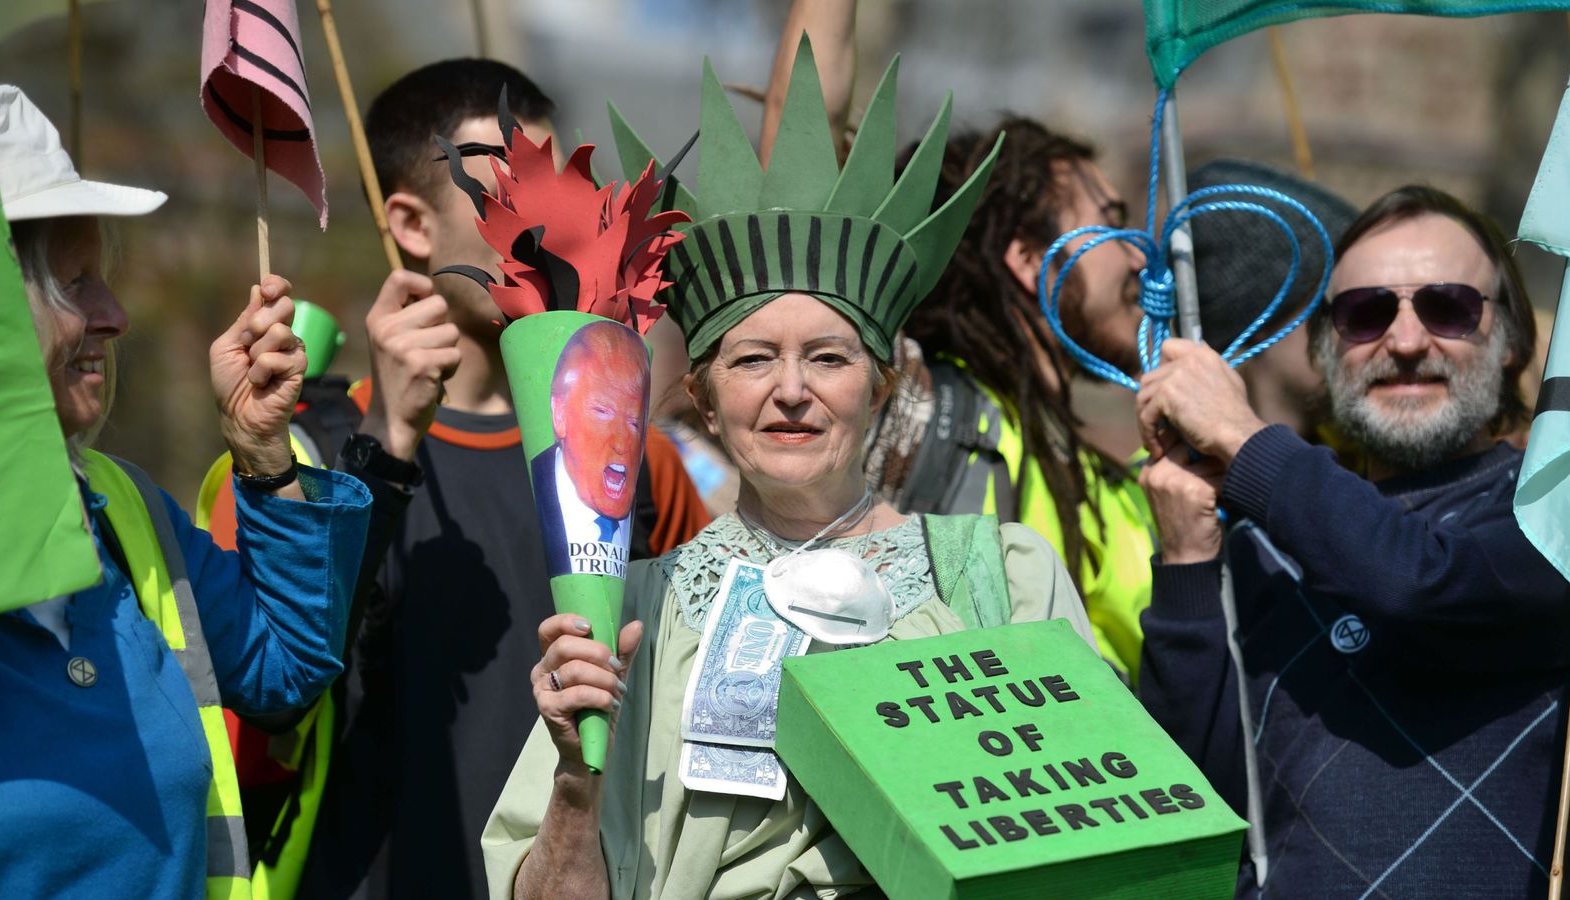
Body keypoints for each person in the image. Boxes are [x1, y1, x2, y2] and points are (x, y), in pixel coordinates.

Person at [483, 41, 1097, 899]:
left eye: (829, 358)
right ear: (703, 400)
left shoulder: (1005, 578)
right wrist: (577, 784)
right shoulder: (637, 617)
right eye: (754, 360)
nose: (792, 392)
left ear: (880, 386)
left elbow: (1098, 846)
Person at [278, 59, 710, 900]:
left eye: (559, 188)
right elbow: (275, 690)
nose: (547, 224)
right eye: (504, 189)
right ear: (408, 221)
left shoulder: (637, 459)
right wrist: (386, 444)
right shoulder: (300, 457)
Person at [0, 84, 370, 898]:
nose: (116, 314)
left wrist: (262, 448)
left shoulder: (125, 510)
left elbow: (287, 670)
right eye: (76, 282)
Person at [1136, 185, 1570, 897]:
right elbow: (1186, 813)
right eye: (1364, 314)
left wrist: (1248, 440)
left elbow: (1418, 583)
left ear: (1511, 344)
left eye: (1449, 308)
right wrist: (1187, 562)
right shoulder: (1261, 545)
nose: (1404, 341)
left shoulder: (1552, 514)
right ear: (1323, 351)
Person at [755, 0, 1156, 683]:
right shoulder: (914, 406)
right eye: (1111, 222)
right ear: (1032, 260)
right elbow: (801, 171)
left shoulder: (1132, 480)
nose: (1141, 258)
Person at [1187, 158, 1357, 441]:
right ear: (1258, 325)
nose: (1372, 332)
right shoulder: (1162, 480)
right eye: (1332, 308)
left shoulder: (1369, 470)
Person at [531, 321, 652, 576]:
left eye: (634, 422)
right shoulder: (521, 489)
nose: (622, 444)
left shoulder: (648, 480)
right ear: (560, 413)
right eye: (602, 412)